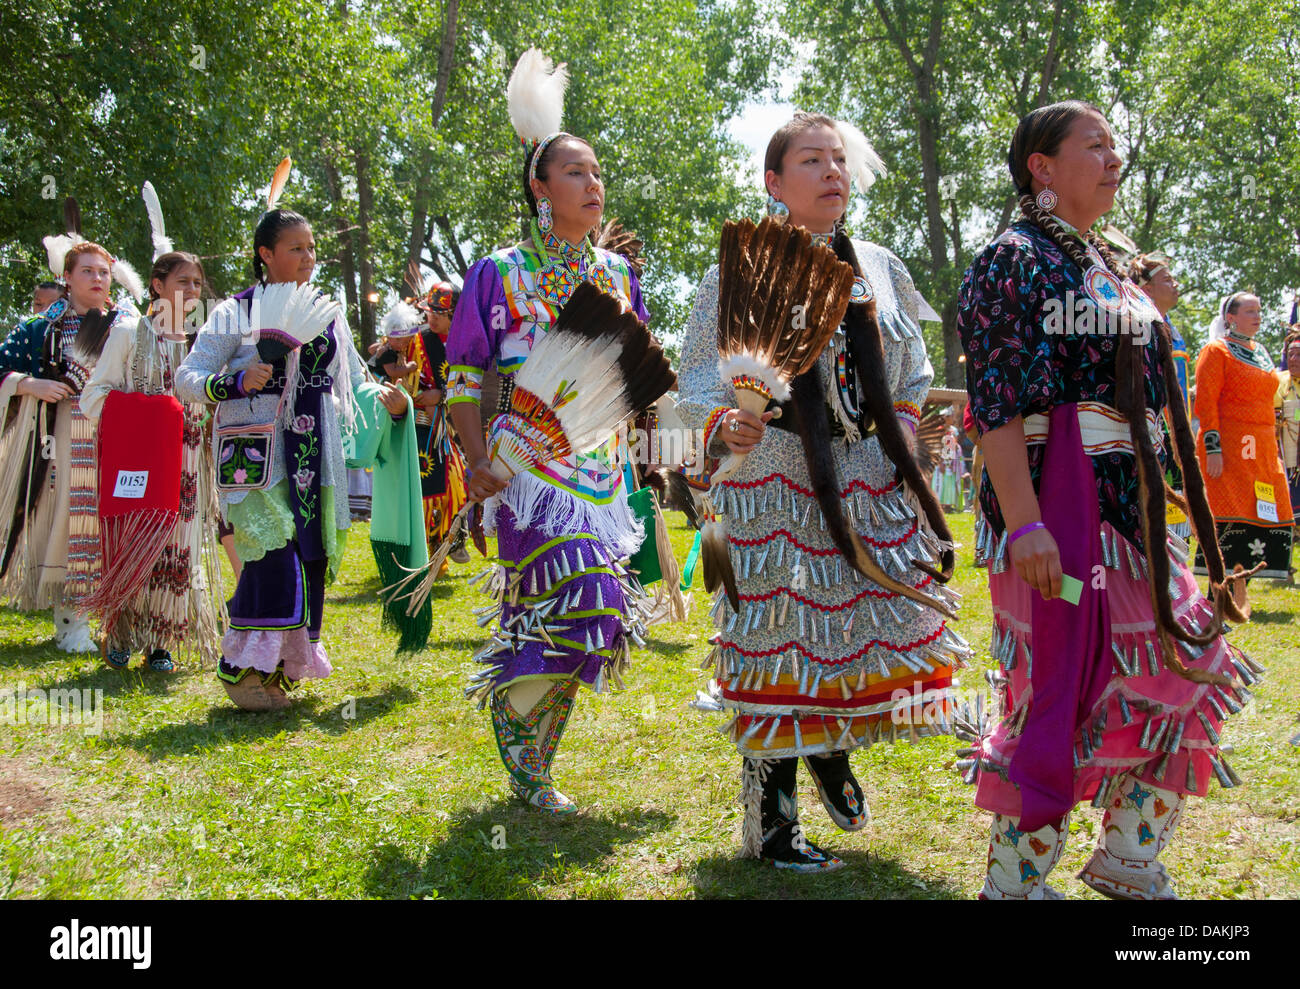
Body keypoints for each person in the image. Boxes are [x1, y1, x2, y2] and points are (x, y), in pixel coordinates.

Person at [958, 100, 1260, 899]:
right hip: (1056, 509)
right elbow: (995, 403)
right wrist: (1024, 521)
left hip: (1129, 513)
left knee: (1185, 662)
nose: (1113, 156)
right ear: (1042, 167)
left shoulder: (1105, 262)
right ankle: (1013, 885)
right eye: (1094, 145)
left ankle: (1128, 852)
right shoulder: (1012, 260)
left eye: (1114, 144)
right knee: (1060, 684)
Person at [676, 112, 966, 871]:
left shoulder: (879, 264)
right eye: (812, 160)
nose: (832, 172)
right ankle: (772, 829)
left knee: (858, 621)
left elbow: (913, 371)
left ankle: (829, 747)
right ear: (774, 182)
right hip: (772, 474)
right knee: (777, 634)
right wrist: (723, 424)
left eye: (839, 159)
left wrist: (899, 437)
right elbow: (699, 372)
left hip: (865, 474)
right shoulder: (738, 270)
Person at [445, 49, 652, 814]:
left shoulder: (618, 277)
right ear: (539, 186)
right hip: (525, 469)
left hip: (597, 470)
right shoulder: (498, 273)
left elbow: (628, 376)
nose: (593, 186)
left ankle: (533, 760)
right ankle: (512, 708)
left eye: (598, 174)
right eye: (575, 173)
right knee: (583, 597)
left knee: (588, 620)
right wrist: (474, 458)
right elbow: (466, 373)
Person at [176, 208, 410, 710]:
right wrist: (234, 382)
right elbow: (187, 377)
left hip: (314, 452)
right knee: (272, 552)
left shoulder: (326, 311)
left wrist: (391, 401)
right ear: (267, 254)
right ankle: (241, 669)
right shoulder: (235, 312)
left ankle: (282, 665)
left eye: (311, 247)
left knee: (309, 552)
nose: (308, 257)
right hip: (255, 453)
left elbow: (352, 381)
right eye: (296, 248)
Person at [81, 251, 223, 672]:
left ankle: (162, 641)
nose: (192, 291)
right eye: (183, 281)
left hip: (188, 463)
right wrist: (151, 412)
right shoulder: (130, 333)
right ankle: (121, 630)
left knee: (180, 549)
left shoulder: (203, 342)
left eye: (197, 283)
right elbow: (94, 396)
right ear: (158, 285)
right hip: (141, 461)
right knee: (135, 543)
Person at [0, 237, 140, 651]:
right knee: (68, 519)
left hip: (116, 435)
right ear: (66, 278)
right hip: (60, 438)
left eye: (103, 272)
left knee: (110, 520)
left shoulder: (127, 324)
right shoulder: (42, 328)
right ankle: (71, 621)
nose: (98, 278)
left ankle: (115, 616)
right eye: (87, 271)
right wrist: (30, 384)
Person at [1193, 292, 1293, 591]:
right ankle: (1220, 591)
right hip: (1230, 444)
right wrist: (1213, 448)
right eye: (1249, 311)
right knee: (1230, 509)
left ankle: (1241, 585)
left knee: (1267, 506)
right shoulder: (1216, 350)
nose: (1257, 315)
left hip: (1261, 445)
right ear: (1231, 317)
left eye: (1259, 310)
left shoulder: (1261, 351)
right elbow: (1206, 403)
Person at [374, 282, 468, 566]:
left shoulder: (467, 341)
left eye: (440, 312)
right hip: (417, 424)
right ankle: (426, 546)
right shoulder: (415, 339)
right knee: (425, 484)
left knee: (454, 481)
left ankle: (450, 537)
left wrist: (442, 396)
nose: (432, 317)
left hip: (451, 425)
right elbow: (382, 369)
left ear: (455, 313)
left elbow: (478, 382)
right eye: (430, 311)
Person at [1129, 253, 1191, 540]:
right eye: (1167, 279)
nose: (1175, 284)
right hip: (1149, 425)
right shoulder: (1135, 325)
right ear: (1147, 289)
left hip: (1174, 426)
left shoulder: (1171, 330)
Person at [1276, 326, 1300, 531]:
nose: (1293, 359)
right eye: (1290, 354)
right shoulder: (1279, 381)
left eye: (1299, 355)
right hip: (1287, 452)